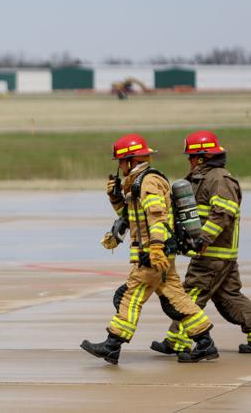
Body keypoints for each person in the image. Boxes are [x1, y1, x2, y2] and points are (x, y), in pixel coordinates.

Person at [81, 133, 218, 364]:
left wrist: (155, 248)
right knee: (177, 299)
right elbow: (131, 217)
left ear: (132, 160)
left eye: (121, 162)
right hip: (158, 254)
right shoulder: (138, 182)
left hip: (152, 255)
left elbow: (157, 217)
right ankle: (206, 344)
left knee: (130, 297)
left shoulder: (148, 182)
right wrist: (115, 198)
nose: (120, 166)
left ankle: (112, 345)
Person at [151, 130, 251, 355]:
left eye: (191, 156)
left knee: (190, 295)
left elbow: (223, 212)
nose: (188, 161)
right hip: (217, 253)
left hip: (212, 252)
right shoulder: (204, 178)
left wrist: (203, 240)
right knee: (229, 296)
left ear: (202, 157)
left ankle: (176, 341)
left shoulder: (219, 179)